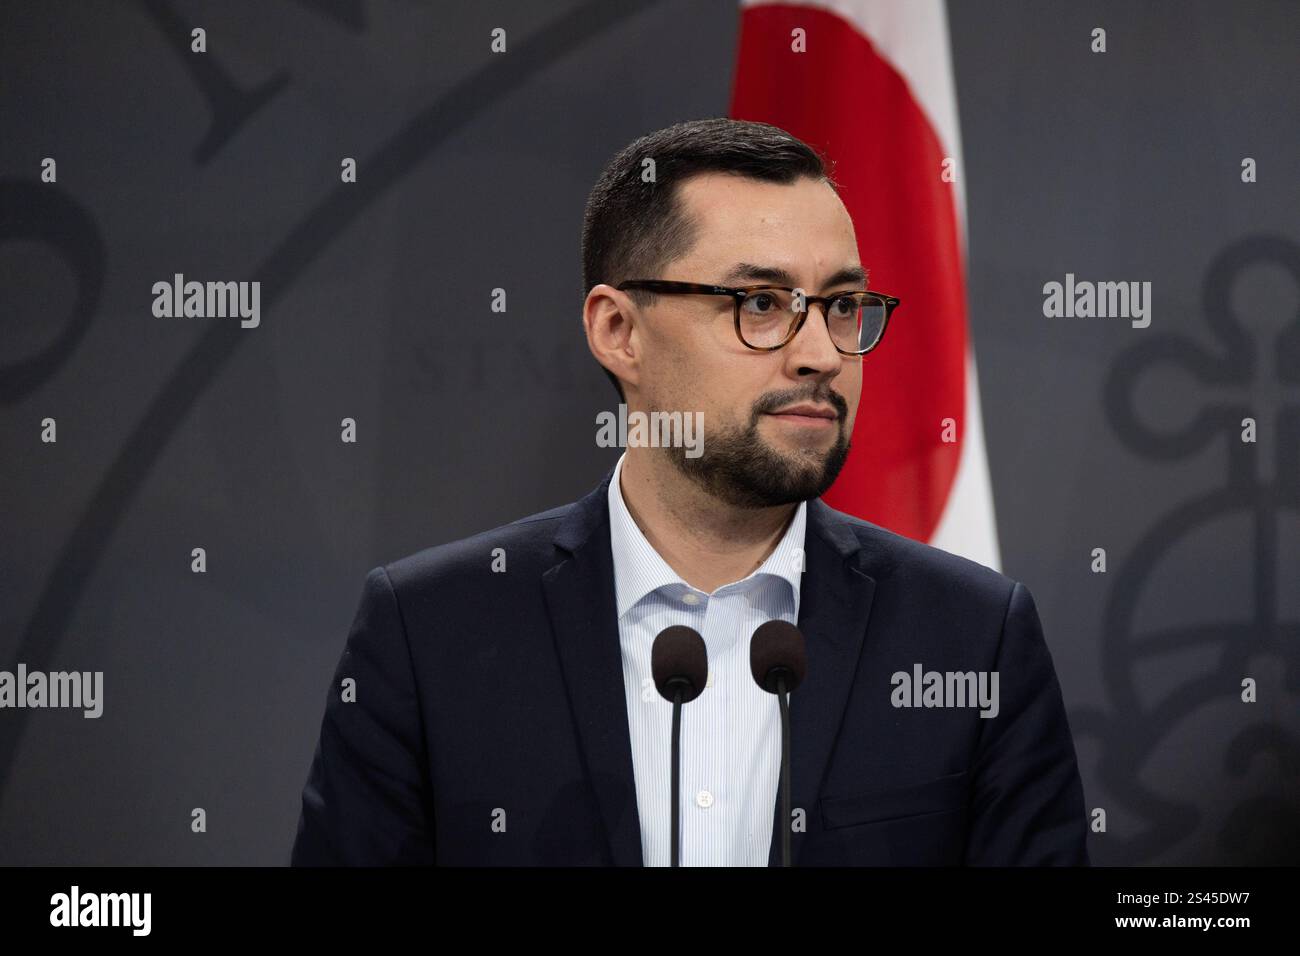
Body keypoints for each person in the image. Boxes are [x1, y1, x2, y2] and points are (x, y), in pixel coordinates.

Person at [290, 117, 1089, 866]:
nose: (820, 353)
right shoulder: (431, 632)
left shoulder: (972, 637)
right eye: (761, 304)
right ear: (619, 332)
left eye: (842, 306)